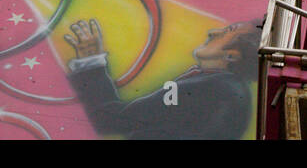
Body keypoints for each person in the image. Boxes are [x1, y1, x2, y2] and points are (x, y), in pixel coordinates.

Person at [63, 17, 259, 139]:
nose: (213, 31)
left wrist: (92, 62)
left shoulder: (210, 89)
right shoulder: (227, 89)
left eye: (227, 32)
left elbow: (111, 120)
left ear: (231, 55)